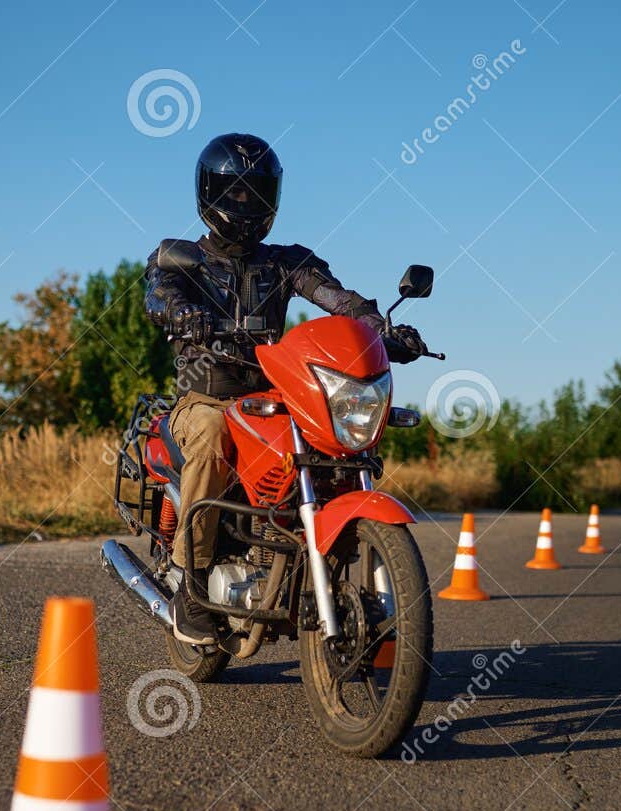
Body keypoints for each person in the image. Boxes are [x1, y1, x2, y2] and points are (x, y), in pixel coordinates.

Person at [144, 132, 424, 645]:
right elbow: (159, 296)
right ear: (211, 194)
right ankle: (192, 581)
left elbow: (336, 298)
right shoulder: (180, 257)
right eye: (235, 191)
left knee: (332, 442)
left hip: (276, 398)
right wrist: (181, 313)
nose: (245, 203)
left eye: (256, 191)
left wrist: (379, 329)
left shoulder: (287, 262)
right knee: (210, 435)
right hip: (206, 397)